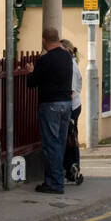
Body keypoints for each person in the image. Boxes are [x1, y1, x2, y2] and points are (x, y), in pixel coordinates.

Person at [22, 27, 73, 193]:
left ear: (44, 40)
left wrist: (30, 72)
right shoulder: (67, 56)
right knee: (59, 143)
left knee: (51, 145)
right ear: (58, 39)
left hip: (50, 104)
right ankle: (57, 180)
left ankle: (54, 183)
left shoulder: (45, 60)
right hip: (66, 104)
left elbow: (32, 83)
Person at [60, 39, 83, 182]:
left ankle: (74, 168)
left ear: (67, 50)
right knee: (69, 138)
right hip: (70, 105)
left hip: (72, 107)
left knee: (71, 138)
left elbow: (72, 91)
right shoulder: (68, 63)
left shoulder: (72, 65)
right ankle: (70, 168)